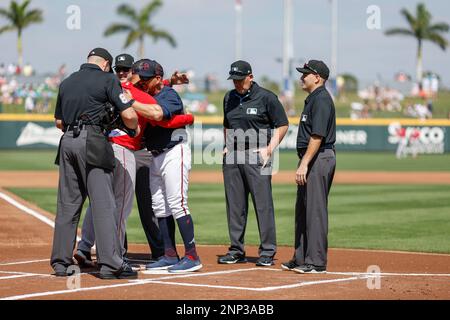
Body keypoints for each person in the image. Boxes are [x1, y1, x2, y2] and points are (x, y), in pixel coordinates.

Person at [51, 47, 161, 280]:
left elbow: (59, 121)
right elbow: (129, 115)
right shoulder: (108, 79)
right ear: (105, 64)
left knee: (68, 205)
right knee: (104, 204)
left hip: (67, 142)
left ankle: (61, 263)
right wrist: (131, 128)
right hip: (93, 142)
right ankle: (111, 264)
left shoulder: (67, 81)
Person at [74, 56, 194, 267]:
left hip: (160, 150)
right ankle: (157, 254)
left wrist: (180, 107)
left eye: (125, 70)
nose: (121, 73)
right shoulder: (123, 88)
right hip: (136, 150)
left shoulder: (155, 92)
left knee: (166, 203)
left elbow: (159, 112)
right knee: (139, 204)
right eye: (117, 69)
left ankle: (181, 255)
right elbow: (151, 98)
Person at [218, 60, 289, 267]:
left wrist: (269, 149)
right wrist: (227, 145)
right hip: (233, 157)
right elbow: (227, 124)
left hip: (257, 155)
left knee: (263, 205)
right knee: (235, 206)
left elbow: (283, 125)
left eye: (240, 80)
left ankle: (267, 251)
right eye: (234, 80)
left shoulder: (266, 97)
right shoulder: (229, 97)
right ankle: (236, 250)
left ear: (250, 76)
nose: (237, 84)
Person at [143, 60, 202, 273]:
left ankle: (192, 255)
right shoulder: (147, 93)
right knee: (160, 206)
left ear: (157, 79)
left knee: (178, 202)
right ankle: (169, 254)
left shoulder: (169, 95)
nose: (142, 81)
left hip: (174, 152)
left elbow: (158, 115)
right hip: (156, 155)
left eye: (145, 78)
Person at [281, 60, 336, 274]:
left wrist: (304, 163)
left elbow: (318, 135)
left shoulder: (321, 99)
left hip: (318, 158)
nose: (302, 77)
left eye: (306, 74)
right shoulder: (313, 98)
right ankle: (302, 256)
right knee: (303, 209)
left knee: (315, 210)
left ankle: (317, 262)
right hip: (311, 158)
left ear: (317, 77)